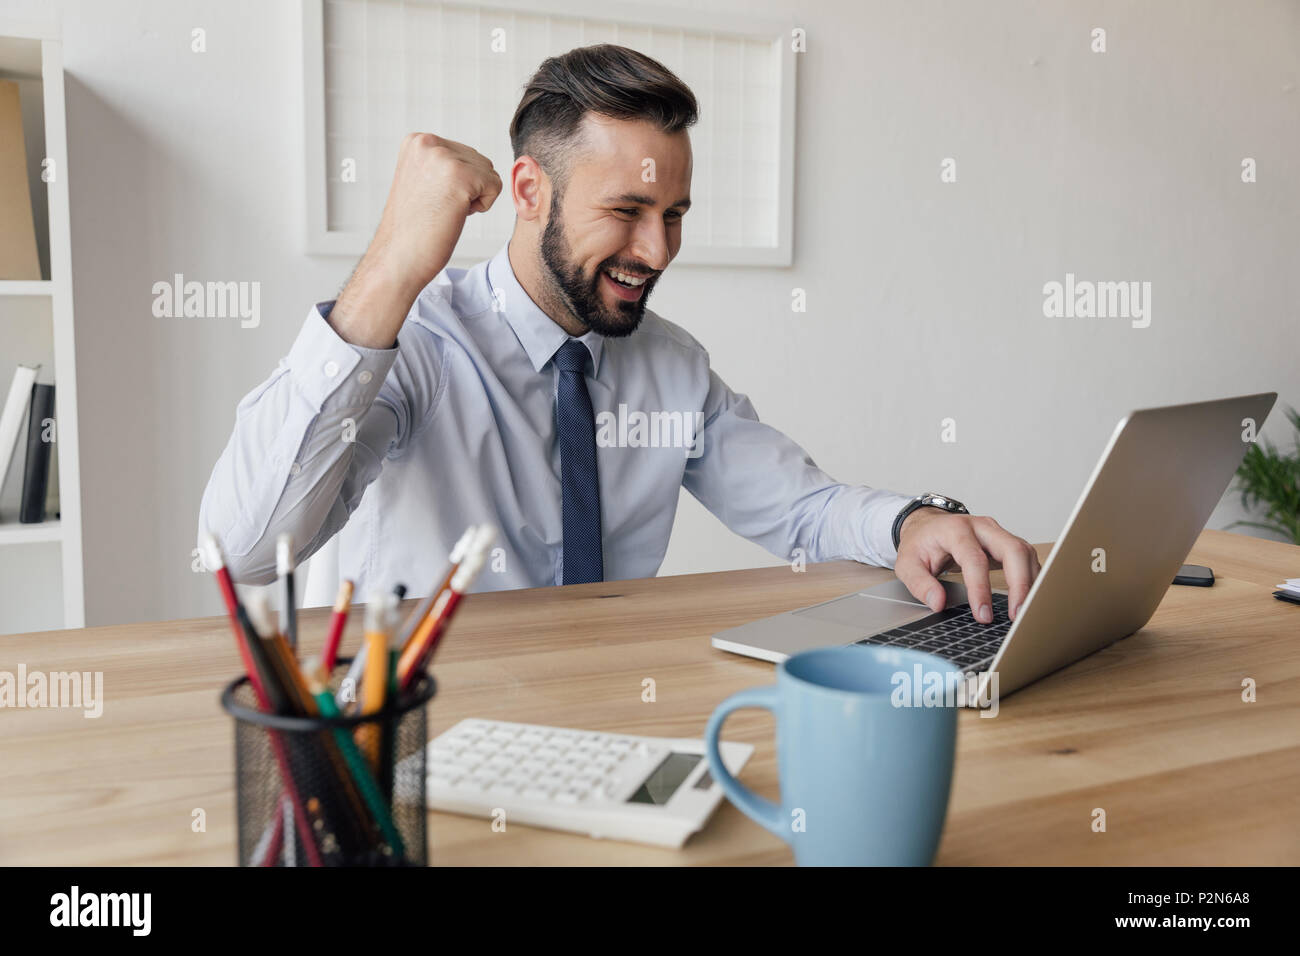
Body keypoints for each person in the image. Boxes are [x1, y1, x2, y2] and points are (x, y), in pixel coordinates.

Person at [197, 44, 1041, 623]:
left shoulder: (670, 368)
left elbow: (803, 508)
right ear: (530, 189)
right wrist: (388, 268)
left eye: (673, 214)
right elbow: (243, 553)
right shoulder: (410, 344)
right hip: (414, 736)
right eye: (627, 211)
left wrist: (911, 523)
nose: (657, 249)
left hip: (608, 708)